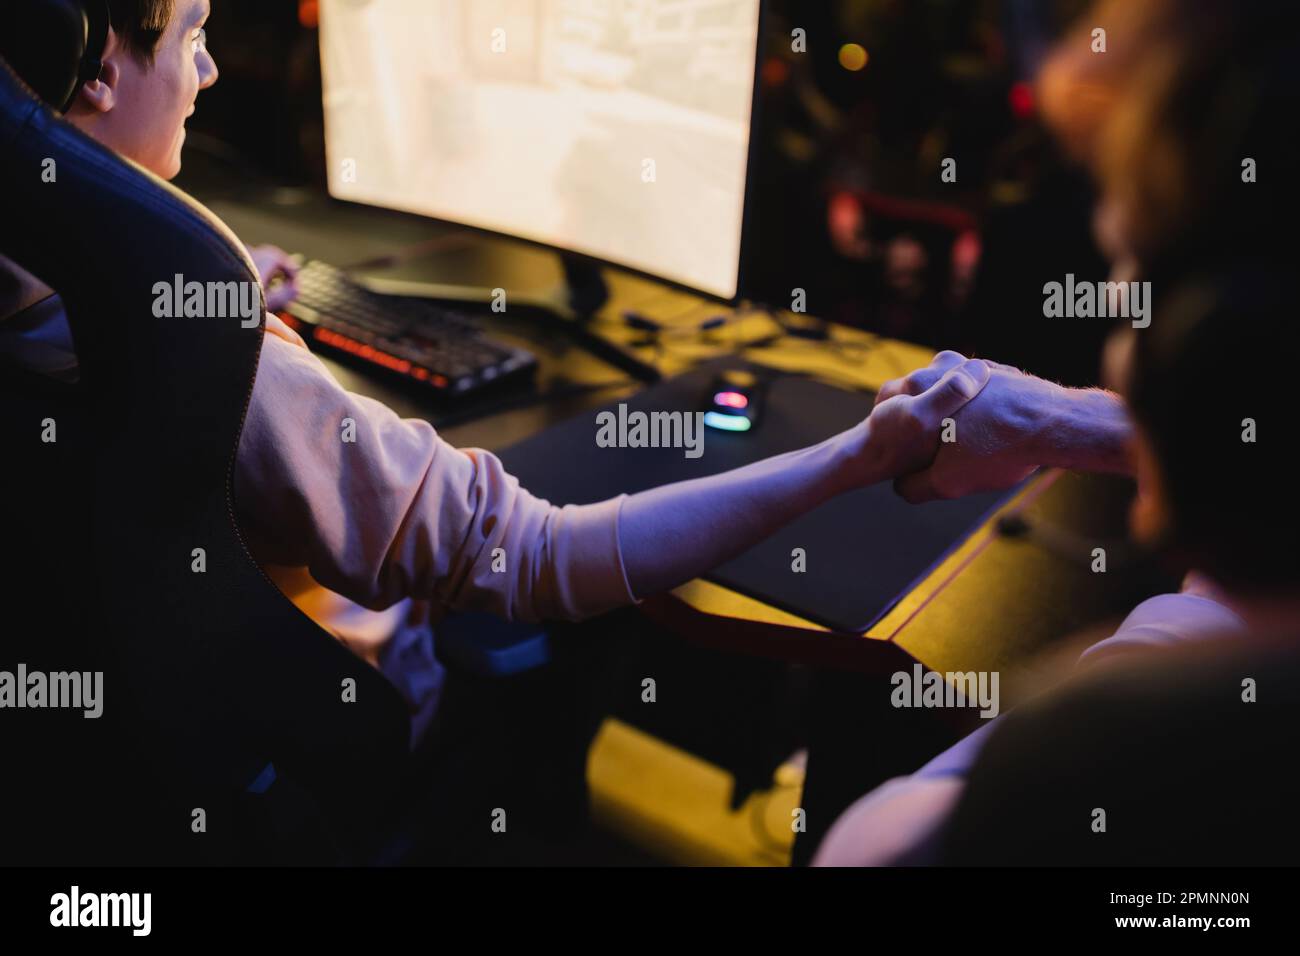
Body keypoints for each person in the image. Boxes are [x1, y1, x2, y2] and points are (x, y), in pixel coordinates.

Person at [0, 0, 992, 748]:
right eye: (189, 35)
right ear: (91, 71)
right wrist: (853, 457)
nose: (210, 71)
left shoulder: (39, 301)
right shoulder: (229, 375)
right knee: (596, 617)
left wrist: (209, 294)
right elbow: (540, 555)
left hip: (114, 747)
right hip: (315, 718)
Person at [813, 0, 1299, 865]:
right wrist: (1062, 421)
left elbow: (872, 850)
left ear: (1212, 349)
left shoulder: (1101, 766)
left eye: (1133, 272)